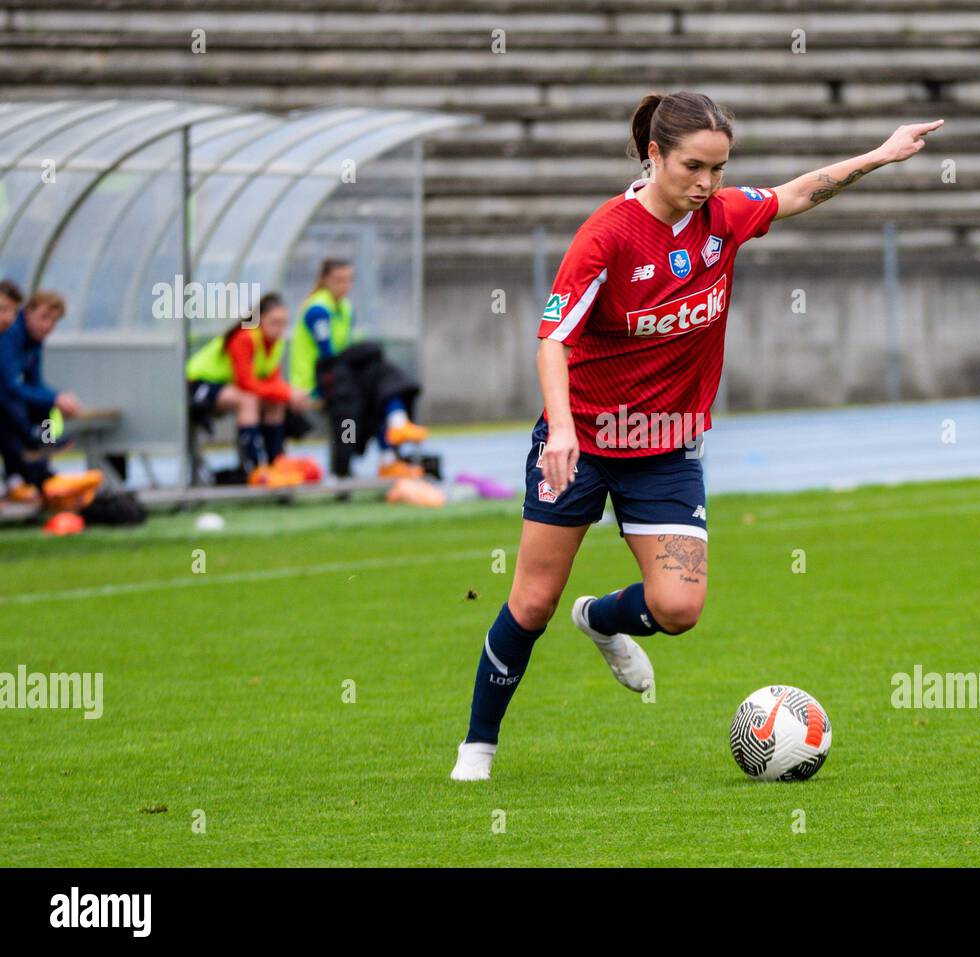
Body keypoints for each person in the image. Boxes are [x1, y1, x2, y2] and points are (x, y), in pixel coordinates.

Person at [450, 90, 942, 780]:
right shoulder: (607, 236)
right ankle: (478, 747)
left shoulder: (723, 219)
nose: (707, 183)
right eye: (693, 167)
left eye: (718, 168)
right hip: (585, 439)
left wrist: (881, 155)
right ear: (654, 154)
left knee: (679, 608)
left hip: (669, 444)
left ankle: (600, 618)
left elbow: (801, 192)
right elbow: (552, 339)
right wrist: (560, 428)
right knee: (531, 600)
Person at [290, 258, 427, 479]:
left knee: (380, 387)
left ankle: (391, 448)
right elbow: (329, 354)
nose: (345, 285)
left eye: (349, 280)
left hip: (341, 377)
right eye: (339, 280)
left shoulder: (345, 308)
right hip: (316, 382)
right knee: (369, 374)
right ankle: (347, 464)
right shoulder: (318, 310)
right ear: (325, 280)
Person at [186, 292, 312, 484]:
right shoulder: (245, 337)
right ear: (260, 320)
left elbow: (272, 381)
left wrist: (292, 394)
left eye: (283, 323)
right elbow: (246, 383)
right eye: (274, 322)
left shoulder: (276, 343)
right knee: (248, 400)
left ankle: (276, 462)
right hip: (199, 384)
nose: (280, 328)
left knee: (274, 402)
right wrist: (288, 393)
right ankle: (252, 467)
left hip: (227, 387)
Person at [0, 288, 101, 507]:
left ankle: (42, 455)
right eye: (44, 317)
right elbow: (9, 385)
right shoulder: (9, 335)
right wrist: (54, 397)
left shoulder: (34, 341)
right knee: (12, 412)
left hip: (10, 403)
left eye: (53, 321)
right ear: (26, 312)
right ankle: (35, 474)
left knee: (43, 407)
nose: (48, 326)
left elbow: (34, 383)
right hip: (6, 406)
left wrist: (57, 398)